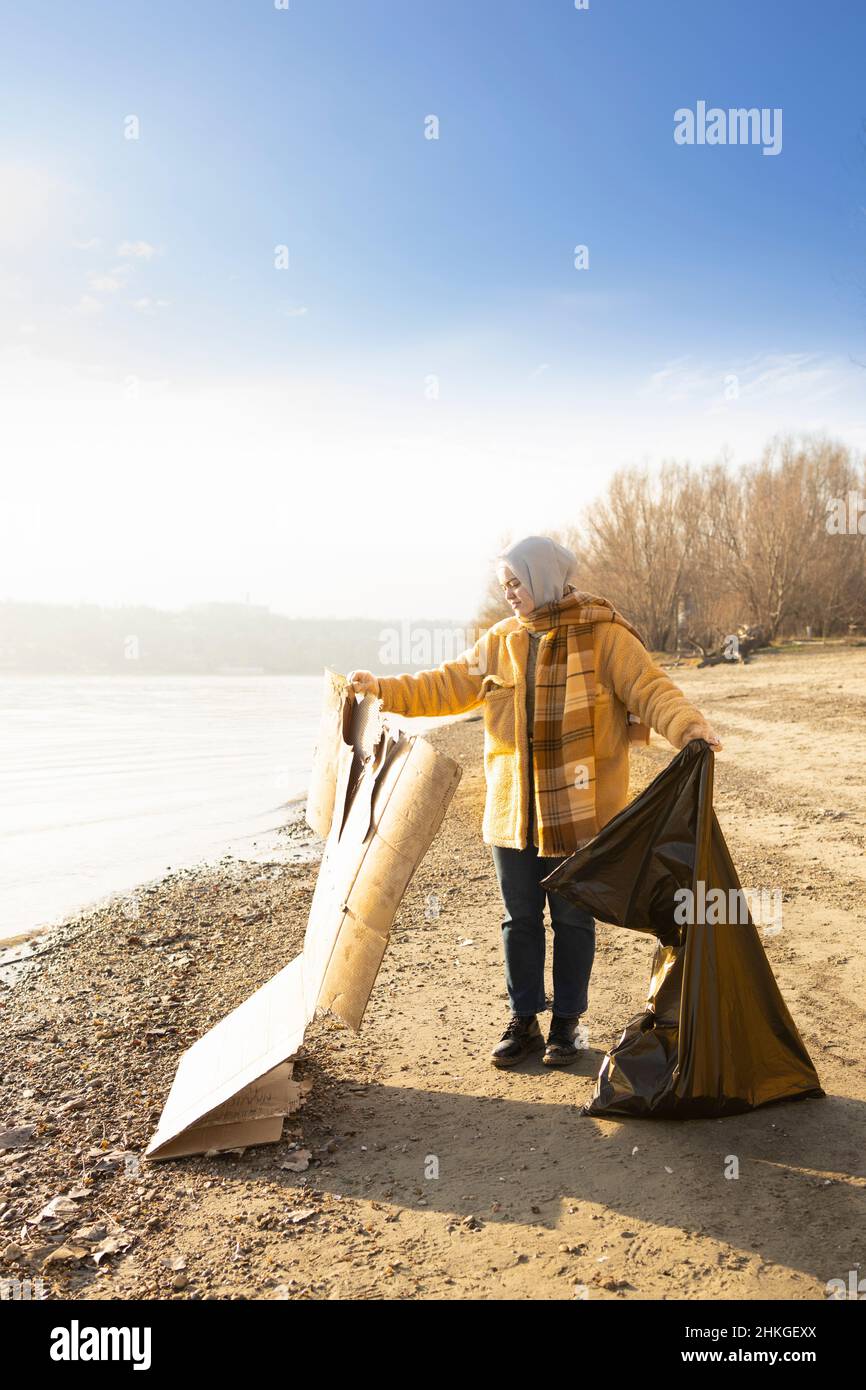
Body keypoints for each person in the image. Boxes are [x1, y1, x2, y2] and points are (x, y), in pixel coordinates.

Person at [348, 535, 721, 1070]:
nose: (509, 594)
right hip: (512, 815)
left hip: (580, 813)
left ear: (544, 577)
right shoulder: (500, 642)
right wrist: (381, 689)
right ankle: (524, 1021)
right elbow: (444, 687)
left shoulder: (605, 637)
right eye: (503, 585)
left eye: (516, 582)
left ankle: (567, 1025)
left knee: (572, 921)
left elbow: (650, 688)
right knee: (518, 919)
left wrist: (690, 729)